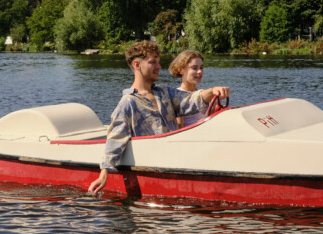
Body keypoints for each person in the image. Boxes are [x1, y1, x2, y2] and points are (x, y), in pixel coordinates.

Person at [88, 41, 229, 195]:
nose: (159, 66)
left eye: (158, 62)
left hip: (175, 160)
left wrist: (212, 91)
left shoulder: (163, 92)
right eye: (152, 62)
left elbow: (190, 99)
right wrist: (104, 173)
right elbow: (115, 138)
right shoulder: (128, 102)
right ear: (137, 64)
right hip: (153, 164)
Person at [169, 49, 212, 128]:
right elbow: (180, 130)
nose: (199, 71)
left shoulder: (202, 94)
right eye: (194, 68)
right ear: (181, 70)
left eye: (201, 68)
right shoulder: (177, 96)